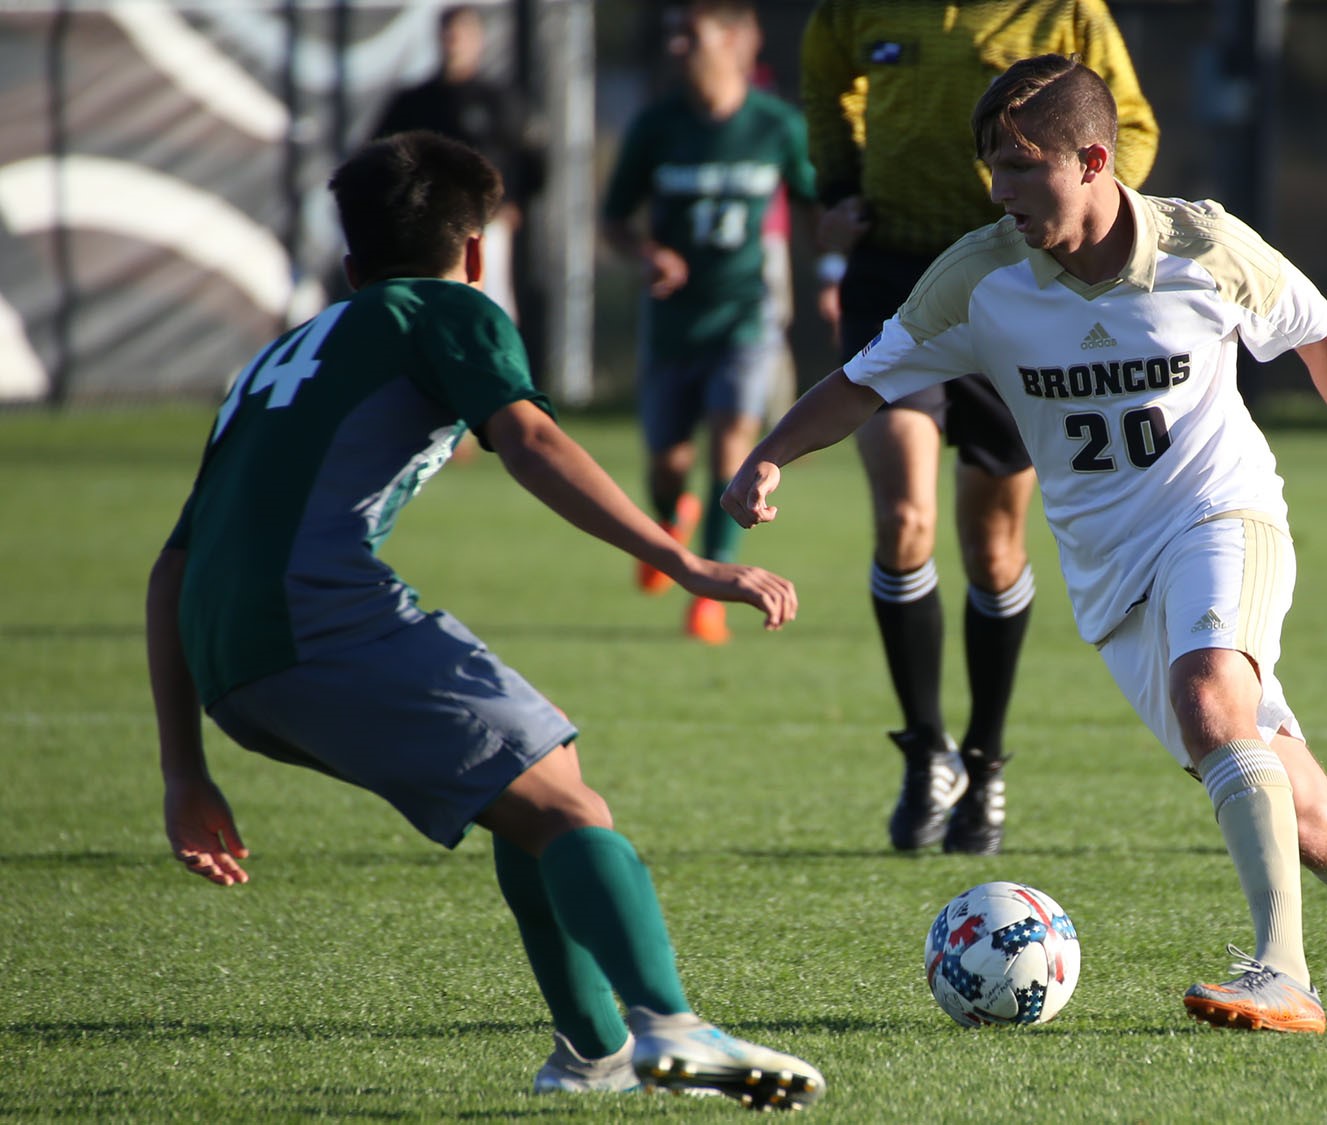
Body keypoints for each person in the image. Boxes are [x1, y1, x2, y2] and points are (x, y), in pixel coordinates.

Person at [723, 56, 1327, 1031]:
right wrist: (771, 454)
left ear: (1095, 159)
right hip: (1111, 583)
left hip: (1222, 517)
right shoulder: (981, 278)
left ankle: (1284, 974)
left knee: (1210, 696)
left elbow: (1322, 332)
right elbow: (862, 378)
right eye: (990, 171)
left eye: (1020, 168)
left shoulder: (1204, 246)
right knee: (1308, 821)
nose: (999, 192)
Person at [146, 131, 824, 1106]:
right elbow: (534, 439)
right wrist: (683, 559)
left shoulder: (276, 357)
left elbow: (172, 567)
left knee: (543, 786)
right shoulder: (450, 308)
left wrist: (182, 770)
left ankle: (590, 1058)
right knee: (573, 812)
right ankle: (670, 1027)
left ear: (351, 261)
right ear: (476, 251)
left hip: (230, 659)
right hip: (318, 618)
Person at [800, 0, 1159, 856]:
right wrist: (839, 185)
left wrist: (1090, 218)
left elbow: (1130, 122)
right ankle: (926, 752)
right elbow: (822, 84)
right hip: (894, 270)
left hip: (1015, 282)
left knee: (995, 545)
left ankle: (985, 760)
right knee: (903, 520)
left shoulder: (1066, 10)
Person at [601, 0, 816, 645]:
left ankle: (714, 591)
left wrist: (833, 276)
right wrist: (648, 253)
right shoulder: (655, 126)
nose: (675, 48)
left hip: (745, 314)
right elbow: (614, 220)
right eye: (671, 36)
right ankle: (672, 518)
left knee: (732, 445)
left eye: (687, 36)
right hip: (673, 322)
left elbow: (812, 204)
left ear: (734, 42)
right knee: (669, 461)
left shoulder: (775, 124)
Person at [374, 4, 540, 321]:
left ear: (478, 40)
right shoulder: (416, 103)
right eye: (448, 35)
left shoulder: (499, 102)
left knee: (490, 304)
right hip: (427, 226)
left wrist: (515, 202)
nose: (454, 43)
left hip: (485, 223)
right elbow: (380, 154)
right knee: (428, 304)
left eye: (461, 35)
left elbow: (531, 158)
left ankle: (492, 366)